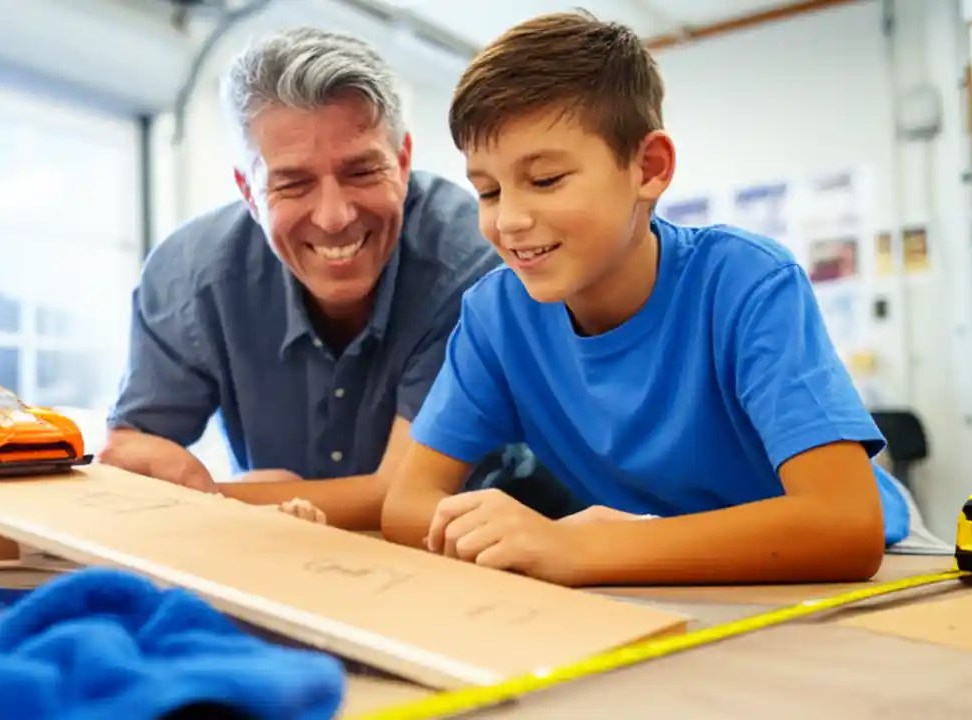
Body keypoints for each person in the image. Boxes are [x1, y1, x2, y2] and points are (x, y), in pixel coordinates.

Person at [379, 10, 912, 586]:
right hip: (652, 575)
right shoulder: (495, 317)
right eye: (487, 190)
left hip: (849, 568)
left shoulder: (746, 283)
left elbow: (845, 526)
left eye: (547, 180)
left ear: (649, 169)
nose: (508, 219)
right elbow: (406, 504)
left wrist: (583, 548)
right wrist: (515, 532)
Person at [99, 26, 586, 528]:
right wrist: (225, 490)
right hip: (283, 555)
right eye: (293, 184)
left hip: (481, 546)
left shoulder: (470, 260)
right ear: (249, 190)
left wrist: (221, 498)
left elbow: (402, 493)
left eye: (361, 173)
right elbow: (129, 454)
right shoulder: (187, 276)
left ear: (401, 163)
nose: (334, 217)